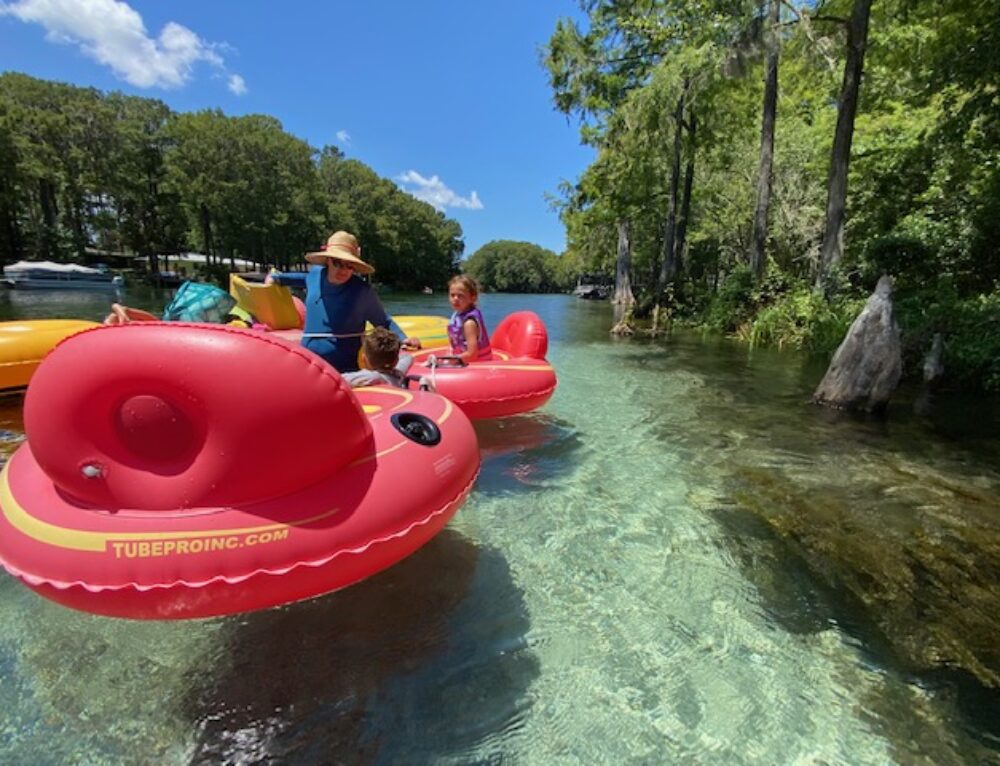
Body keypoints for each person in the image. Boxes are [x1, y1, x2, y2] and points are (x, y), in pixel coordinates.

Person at [266, 231, 420, 372]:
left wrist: (403, 338)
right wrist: (277, 278)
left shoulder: (362, 291)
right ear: (328, 261)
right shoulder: (315, 275)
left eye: (350, 265)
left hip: (345, 370)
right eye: (338, 263)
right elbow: (301, 279)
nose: (344, 270)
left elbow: (383, 322)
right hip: (309, 364)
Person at [341, 327, 414, 388]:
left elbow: (339, 380)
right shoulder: (398, 373)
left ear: (364, 359)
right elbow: (407, 357)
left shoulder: (371, 377)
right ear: (396, 360)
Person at [447, 275, 492, 362]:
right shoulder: (456, 316)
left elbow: (472, 355)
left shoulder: (469, 323)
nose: (455, 299)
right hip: (463, 357)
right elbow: (452, 344)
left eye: (460, 296)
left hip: (479, 363)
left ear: (472, 298)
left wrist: (448, 361)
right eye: (452, 295)